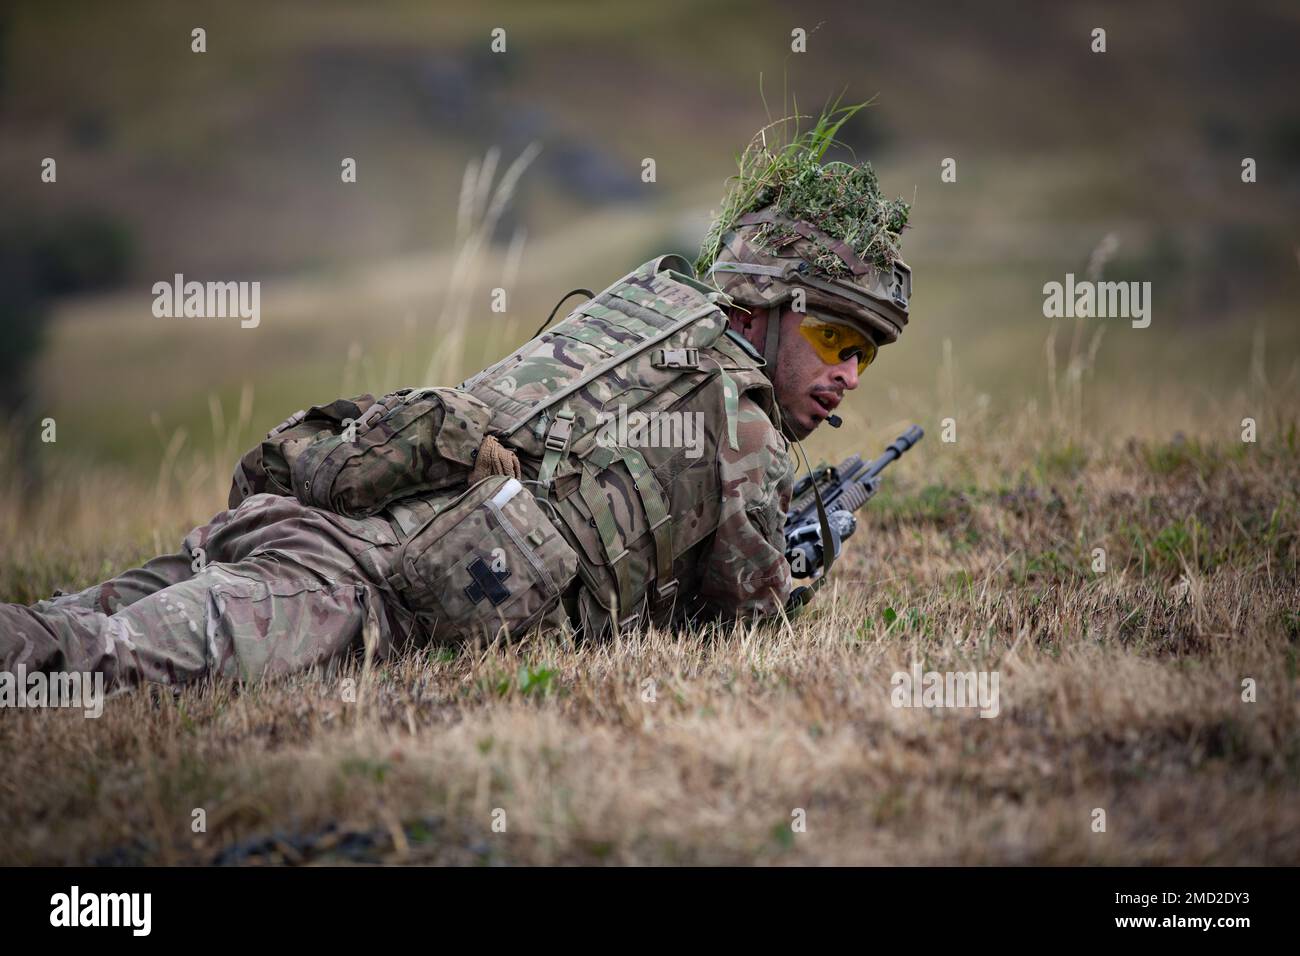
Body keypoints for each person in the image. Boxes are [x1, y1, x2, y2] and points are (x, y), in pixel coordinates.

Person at [0, 116, 913, 689]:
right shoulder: (740, 420)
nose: (848, 377)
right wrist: (803, 561)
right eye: (835, 341)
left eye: (864, 356)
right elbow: (741, 638)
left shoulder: (647, 317)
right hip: (353, 591)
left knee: (63, 624)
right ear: (762, 312)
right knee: (88, 662)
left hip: (313, 520)